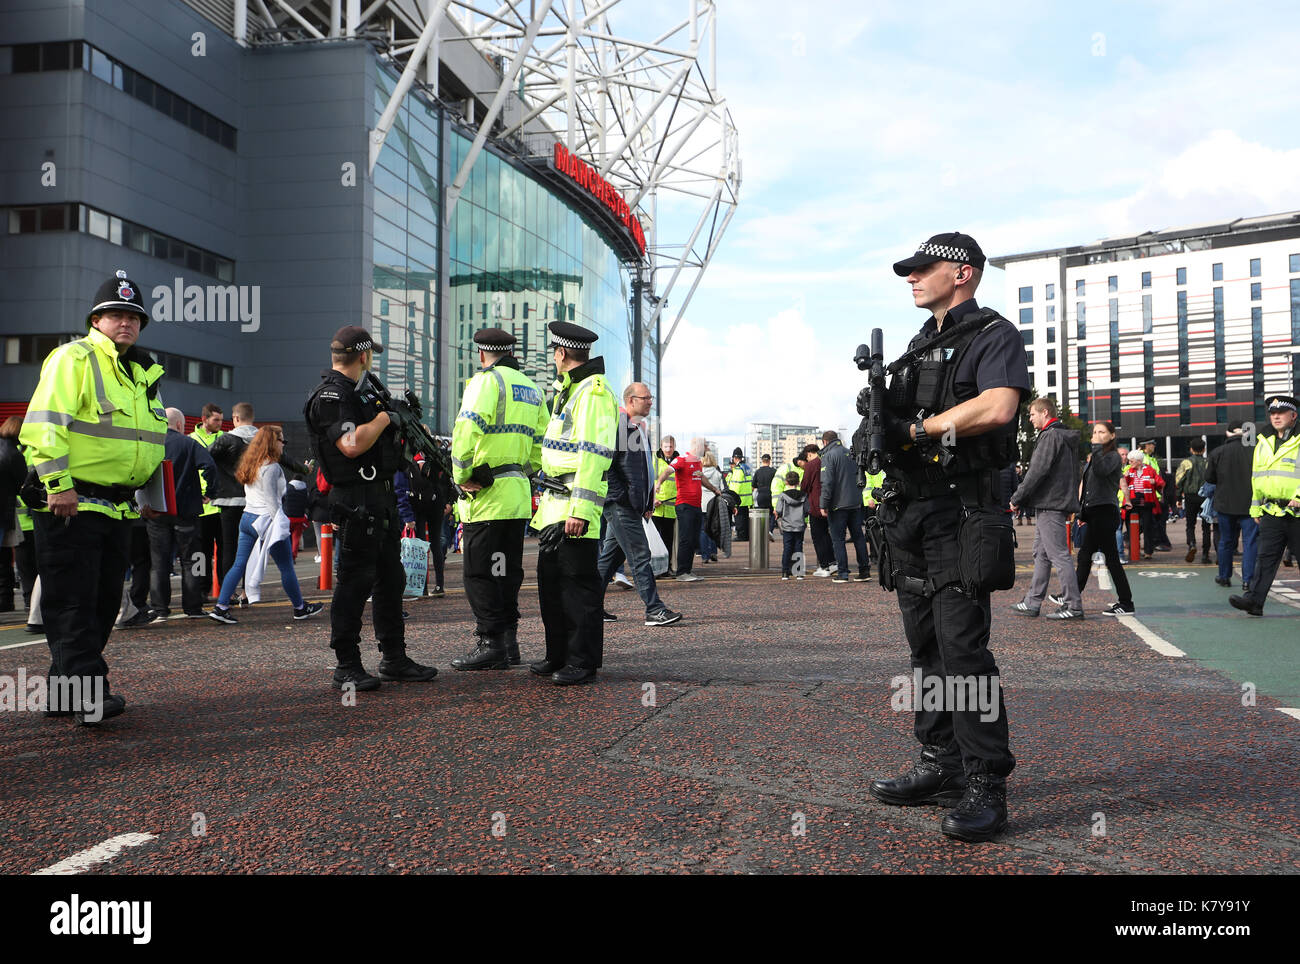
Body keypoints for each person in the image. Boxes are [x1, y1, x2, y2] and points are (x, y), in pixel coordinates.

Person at [867, 232, 1026, 843]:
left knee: (964, 654)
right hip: (914, 512)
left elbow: (998, 407)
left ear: (961, 273)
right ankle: (941, 764)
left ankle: (986, 780)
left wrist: (918, 428)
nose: (912, 277)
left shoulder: (992, 334)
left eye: (922, 269)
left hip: (962, 513)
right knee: (926, 651)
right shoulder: (916, 346)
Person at [19, 269, 168, 723]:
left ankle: (64, 693)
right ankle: (87, 690)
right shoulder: (73, 358)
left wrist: (149, 494)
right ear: (96, 319)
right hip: (73, 502)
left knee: (103, 602)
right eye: (115, 314)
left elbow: (146, 440)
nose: (125, 322)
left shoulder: (142, 372)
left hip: (119, 505)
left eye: (133, 316)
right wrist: (58, 486)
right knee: (73, 601)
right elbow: (43, 425)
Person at [304, 325, 439, 690]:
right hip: (354, 501)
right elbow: (350, 444)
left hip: (379, 499)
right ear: (363, 356)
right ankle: (346, 664)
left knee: (390, 580)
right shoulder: (333, 395)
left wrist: (401, 422)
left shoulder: (361, 394)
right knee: (353, 584)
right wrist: (384, 419)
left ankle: (394, 657)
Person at [447, 327, 549, 671]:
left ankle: (491, 643)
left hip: (486, 498)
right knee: (505, 572)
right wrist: (523, 470)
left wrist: (462, 476)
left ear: (481, 354)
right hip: (516, 496)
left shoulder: (485, 382)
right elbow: (541, 446)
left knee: (480, 574)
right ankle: (509, 642)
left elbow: (466, 431)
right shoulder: (532, 388)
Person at [530, 322, 619, 685]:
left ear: (561, 353)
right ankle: (558, 654)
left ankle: (582, 661)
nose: (553, 357)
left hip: (573, 509)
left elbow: (594, 455)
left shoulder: (593, 392)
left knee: (578, 588)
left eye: (554, 352)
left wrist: (581, 511)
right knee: (551, 587)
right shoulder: (570, 391)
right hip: (553, 507)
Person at [207, 426, 322, 622]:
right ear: (271, 442)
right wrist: (280, 521)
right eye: (281, 440)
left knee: (238, 564)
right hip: (267, 520)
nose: (283, 444)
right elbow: (271, 499)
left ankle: (221, 607)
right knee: (286, 566)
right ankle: (300, 608)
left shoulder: (250, 463)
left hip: (248, 518)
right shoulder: (271, 466)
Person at [597, 383, 682, 627]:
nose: (650, 402)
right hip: (621, 505)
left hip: (628, 505)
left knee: (610, 560)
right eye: (646, 398)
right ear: (631, 400)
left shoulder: (636, 428)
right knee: (640, 555)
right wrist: (625, 497)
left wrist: (644, 502)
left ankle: (589, 607)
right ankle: (654, 610)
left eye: (651, 397)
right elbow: (608, 467)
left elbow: (643, 471)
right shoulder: (620, 426)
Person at [1009, 396, 1083, 619]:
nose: (1030, 419)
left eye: (1032, 414)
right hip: (1053, 502)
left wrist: (1017, 498)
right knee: (1041, 553)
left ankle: (1073, 606)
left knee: (1059, 555)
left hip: (1050, 503)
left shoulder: (1050, 436)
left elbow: (1036, 472)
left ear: (1045, 413)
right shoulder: (1063, 436)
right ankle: (1033, 601)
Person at [1229, 394, 1300, 616]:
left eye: (1281, 413)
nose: (1276, 417)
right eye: (1273, 413)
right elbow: (1257, 477)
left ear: (1294, 415)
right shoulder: (1263, 441)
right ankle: (1254, 601)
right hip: (1271, 510)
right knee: (1265, 558)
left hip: (1297, 510)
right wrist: (1255, 507)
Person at [147, 408, 218, 620]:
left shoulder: (153, 444)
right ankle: (193, 606)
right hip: (187, 510)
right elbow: (210, 466)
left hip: (158, 510)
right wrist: (209, 493)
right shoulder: (189, 444)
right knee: (194, 559)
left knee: (159, 561)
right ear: (180, 424)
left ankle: (160, 608)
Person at [1074, 422, 1135, 615]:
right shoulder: (1096, 456)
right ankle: (1072, 595)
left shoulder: (1113, 457)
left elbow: (1100, 472)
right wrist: (1081, 512)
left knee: (1111, 558)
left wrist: (1096, 448)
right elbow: (1088, 485)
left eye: (1101, 432)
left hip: (1105, 511)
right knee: (1085, 555)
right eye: (1094, 432)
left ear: (1111, 435)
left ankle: (1126, 602)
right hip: (1094, 511)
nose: (1096, 435)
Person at [655, 438, 721, 582]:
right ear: (698, 447)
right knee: (685, 538)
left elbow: (701, 477)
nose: (707, 449)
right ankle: (682, 572)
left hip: (696, 505)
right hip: (685, 505)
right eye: (705, 446)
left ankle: (688, 570)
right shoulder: (681, 459)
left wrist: (714, 489)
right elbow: (667, 471)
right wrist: (659, 483)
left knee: (692, 539)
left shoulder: (697, 462)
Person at [1205, 423, 1257, 590]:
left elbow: (1210, 478)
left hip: (1225, 503)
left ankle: (1224, 576)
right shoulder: (1255, 450)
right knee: (1250, 542)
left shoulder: (1217, 452)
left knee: (1226, 541)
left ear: (1228, 433)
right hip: (1250, 503)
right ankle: (1247, 580)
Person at [819, 429, 870, 583]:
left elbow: (827, 483)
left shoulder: (828, 456)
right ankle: (864, 571)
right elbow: (861, 477)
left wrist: (824, 504)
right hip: (855, 503)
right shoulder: (851, 454)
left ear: (825, 442)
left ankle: (843, 573)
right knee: (858, 537)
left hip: (838, 505)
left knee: (838, 540)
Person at [190, 403, 224, 594]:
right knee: (200, 553)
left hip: (222, 505)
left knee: (225, 552)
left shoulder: (225, 439)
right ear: (204, 420)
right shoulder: (191, 440)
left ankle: (225, 590)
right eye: (216, 419)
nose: (220, 423)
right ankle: (200, 590)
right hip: (201, 506)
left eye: (221, 419)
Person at [0, 415, 28, 613]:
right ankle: (5, 601)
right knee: (3, 558)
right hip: (3, 512)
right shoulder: (14, 454)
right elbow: (24, 484)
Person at [800, 443, 834, 577]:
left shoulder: (810, 465)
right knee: (826, 535)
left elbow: (804, 485)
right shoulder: (825, 461)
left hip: (815, 504)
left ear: (809, 454)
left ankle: (824, 566)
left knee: (817, 536)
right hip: (828, 502)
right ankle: (832, 562)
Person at [1176, 439, 1211, 564]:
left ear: (1191, 449)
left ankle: (1192, 544)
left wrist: (1178, 498)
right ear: (1204, 449)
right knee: (1206, 526)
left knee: (1190, 524)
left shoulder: (1186, 462)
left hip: (1190, 497)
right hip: (1206, 497)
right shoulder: (1208, 462)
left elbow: (1179, 481)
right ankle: (1206, 555)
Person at [651, 437, 679, 576]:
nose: (668, 449)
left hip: (671, 508)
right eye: (666, 446)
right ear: (661, 446)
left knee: (668, 540)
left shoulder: (679, 461)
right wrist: (652, 499)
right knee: (654, 541)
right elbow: (648, 481)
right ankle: (655, 569)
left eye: (671, 446)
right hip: (655, 508)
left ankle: (666, 568)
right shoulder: (653, 460)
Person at [774, 471, 807, 579]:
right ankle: (799, 572)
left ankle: (785, 571)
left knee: (787, 547)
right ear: (798, 482)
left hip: (787, 525)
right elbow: (807, 510)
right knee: (798, 547)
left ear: (786, 482)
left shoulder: (783, 496)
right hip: (799, 525)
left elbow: (778, 510)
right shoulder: (803, 495)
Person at [699, 448, 725, 564]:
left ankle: (705, 555)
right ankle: (713, 552)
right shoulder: (717, 473)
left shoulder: (699, 473)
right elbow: (723, 489)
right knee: (714, 529)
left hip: (701, 503)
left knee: (703, 530)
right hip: (714, 504)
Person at [726, 448, 752, 541]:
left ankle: (741, 536)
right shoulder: (747, 468)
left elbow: (736, 486)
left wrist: (733, 499)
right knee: (745, 518)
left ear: (735, 458)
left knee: (739, 519)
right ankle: (746, 535)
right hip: (747, 498)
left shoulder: (737, 469)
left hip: (739, 498)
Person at [752, 453, 776, 538]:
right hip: (771, 494)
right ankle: (770, 530)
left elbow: (753, 485)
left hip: (761, 494)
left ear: (762, 461)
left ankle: (762, 531)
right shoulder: (774, 471)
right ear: (769, 461)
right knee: (773, 513)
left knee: (762, 513)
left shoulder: (758, 471)